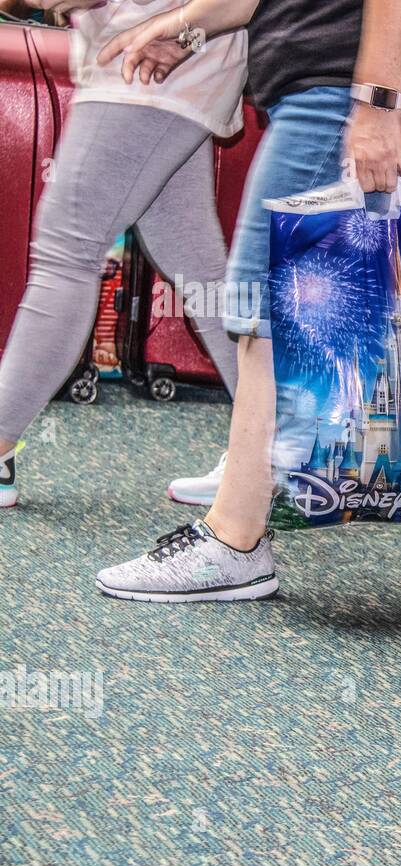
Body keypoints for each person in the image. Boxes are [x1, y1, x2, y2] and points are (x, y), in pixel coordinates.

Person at [93, 0, 401, 601]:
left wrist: (378, 106)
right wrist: (186, 28)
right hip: (344, 79)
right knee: (374, 313)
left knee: (275, 312)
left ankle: (233, 539)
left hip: (358, 83)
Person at [0, 0, 245, 510]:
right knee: (198, 266)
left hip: (148, 60)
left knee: (68, 253)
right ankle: (274, 453)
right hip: (164, 59)